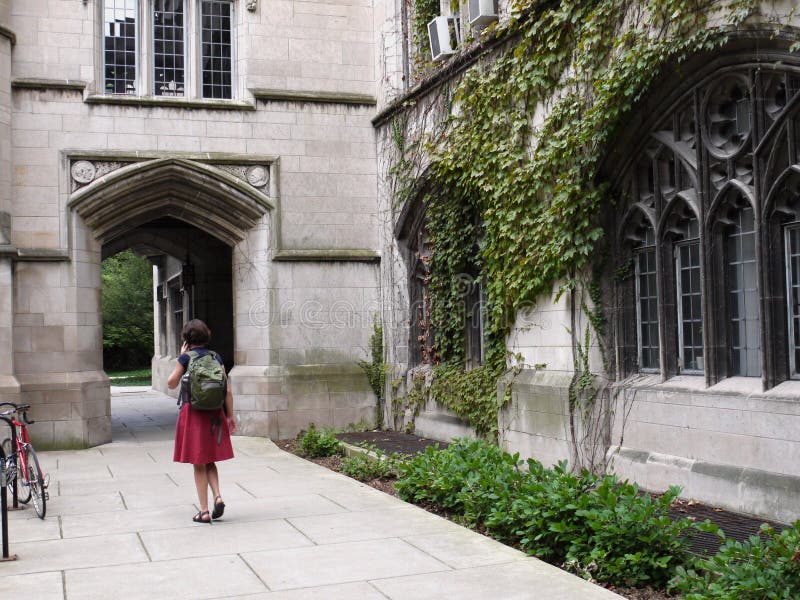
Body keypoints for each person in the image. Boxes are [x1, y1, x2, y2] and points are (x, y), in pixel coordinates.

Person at [167, 319, 237, 523]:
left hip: (193, 414)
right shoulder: (216, 357)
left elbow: (171, 383)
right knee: (210, 459)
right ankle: (218, 496)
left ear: (186, 339)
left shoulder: (185, 358)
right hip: (214, 414)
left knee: (198, 463)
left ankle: (204, 511)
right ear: (207, 336)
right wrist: (230, 416)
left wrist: (180, 357)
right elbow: (227, 390)